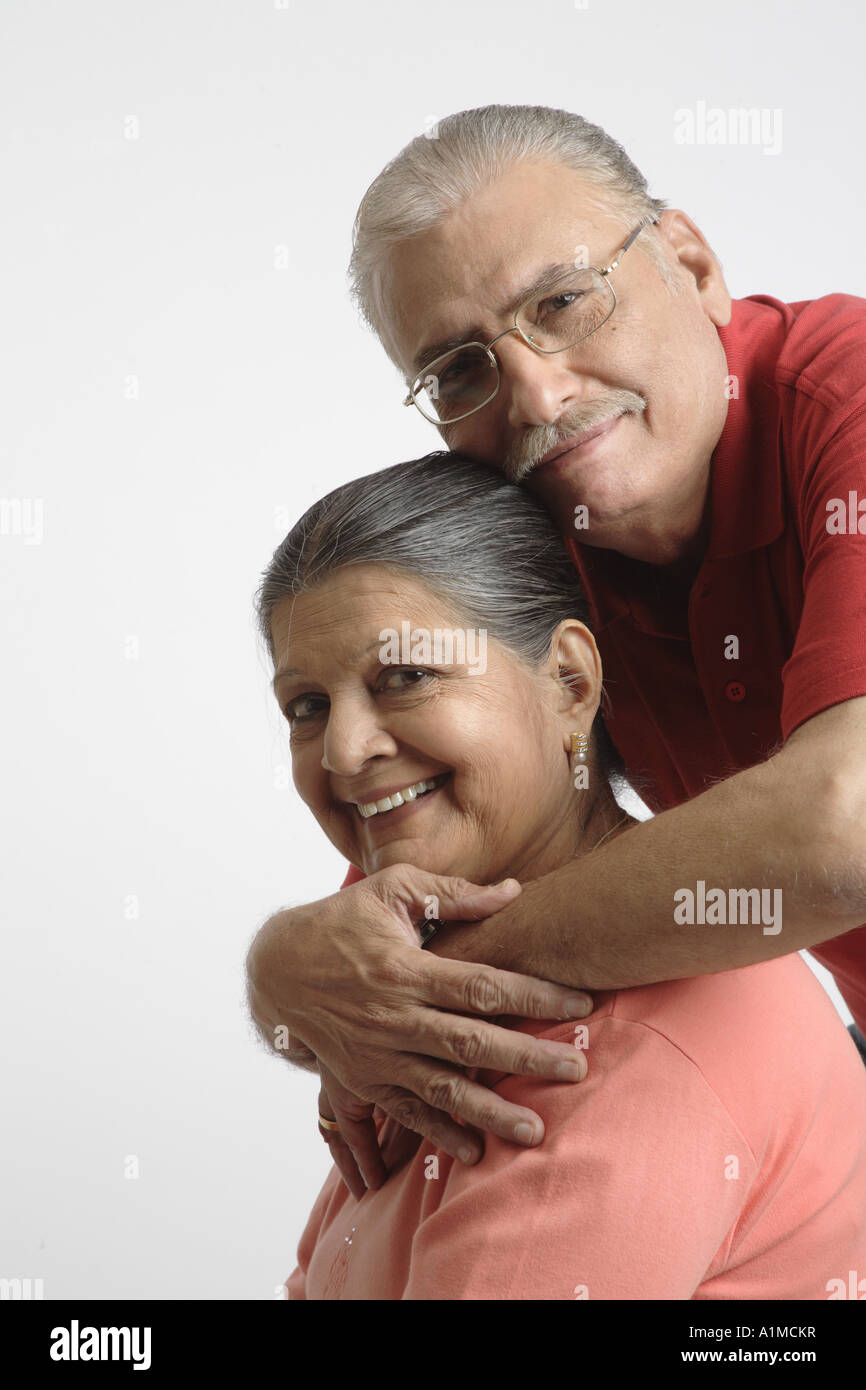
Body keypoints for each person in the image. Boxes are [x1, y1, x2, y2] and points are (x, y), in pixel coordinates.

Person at [246, 104, 866, 1194]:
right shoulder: (547, 527)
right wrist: (286, 970)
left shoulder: (846, 400)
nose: (535, 392)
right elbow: (424, 851)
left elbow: (842, 828)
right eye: (458, 369)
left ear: (690, 263)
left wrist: (422, 987)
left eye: (563, 301)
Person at [255, 454, 866, 1300]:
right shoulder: (399, 1005)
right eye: (306, 706)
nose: (343, 752)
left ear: (570, 683)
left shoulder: (620, 1055)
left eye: (406, 677)